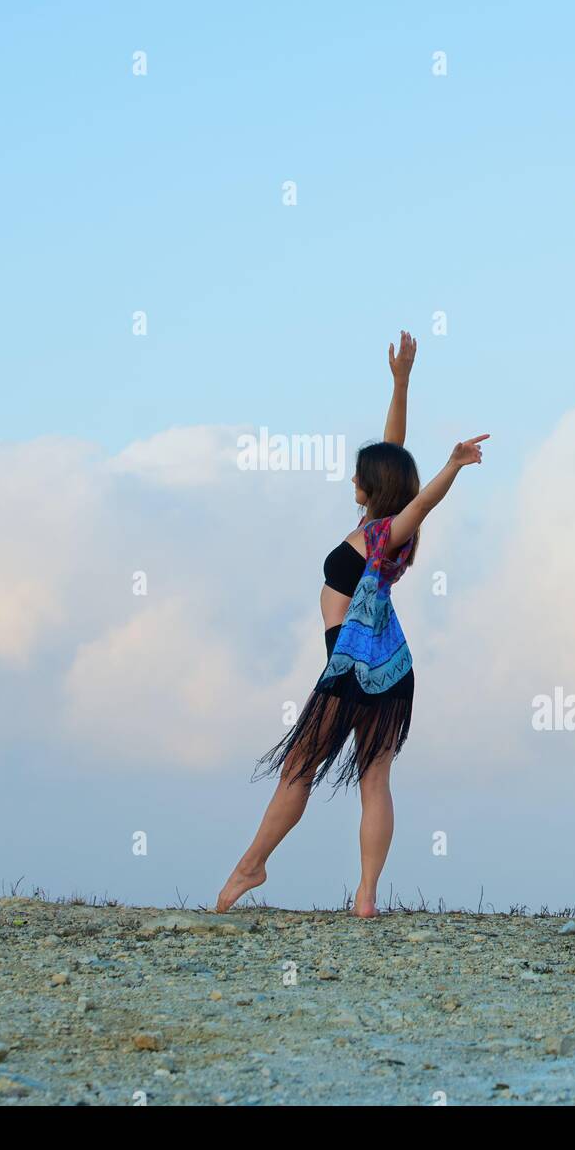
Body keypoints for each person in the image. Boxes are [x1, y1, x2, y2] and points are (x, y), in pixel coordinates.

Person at [216, 331, 488, 917]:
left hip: (354, 665)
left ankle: (252, 866)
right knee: (372, 779)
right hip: (386, 664)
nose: (352, 481)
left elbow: (421, 504)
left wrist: (453, 466)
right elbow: (393, 453)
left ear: (373, 488)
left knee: (300, 765)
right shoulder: (378, 527)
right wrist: (401, 383)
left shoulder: (390, 532)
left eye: (358, 476)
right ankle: (364, 899)